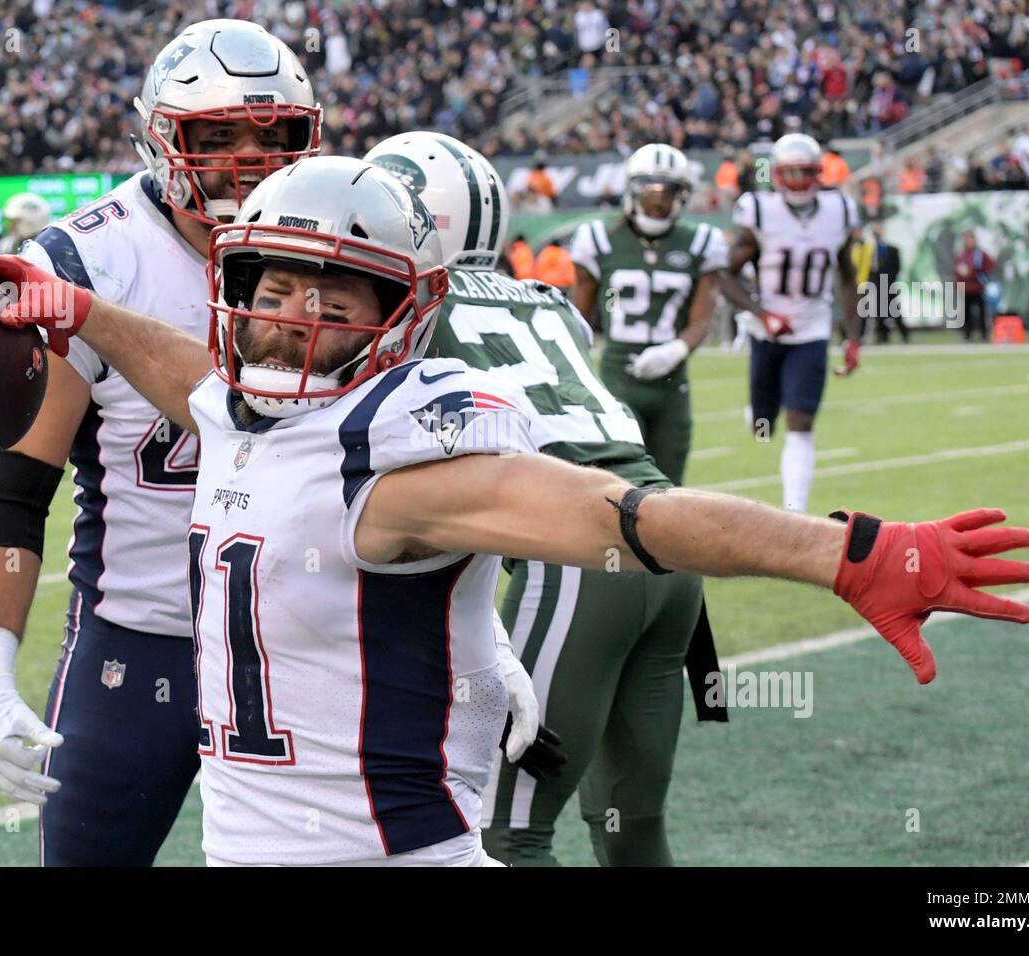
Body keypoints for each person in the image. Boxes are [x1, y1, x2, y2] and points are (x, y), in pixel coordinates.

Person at [0, 155, 1029, 866]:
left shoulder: (394, 456)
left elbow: (620, 513)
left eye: (332, 298)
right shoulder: (239, 407)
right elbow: (187, 362)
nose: (288, 321)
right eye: (270, 289)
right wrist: (82, 307)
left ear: (401, 316)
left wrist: (845, 551)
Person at [0, 18, 325, 867]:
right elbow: (17, 490)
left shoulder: (336, 249)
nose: (247, 161)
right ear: (161, 137)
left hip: (300, 636)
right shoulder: (91, 259)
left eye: (274, 138)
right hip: (138, 636)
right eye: (217, 135)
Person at [365, 132, 717, 866]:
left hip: (577, 559)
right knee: (632, 821)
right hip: (670, 554)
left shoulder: (414, 306)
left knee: (510, 832)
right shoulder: (549, 301)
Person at [722, 132, 862, 514]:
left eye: (807, 172)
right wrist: (762, 313)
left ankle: (794, 510)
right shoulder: (760, 211)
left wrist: (853, 338)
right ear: (778, 175)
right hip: (767, 329)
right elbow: (724, 274)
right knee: (763, 427)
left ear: (820, 174)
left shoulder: (839, 211)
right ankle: (759, 410)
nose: (799, 180)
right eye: (792, 172)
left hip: (813, 328)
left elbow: (847, 276)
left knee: (801, 420)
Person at [569, 144, 724, 485]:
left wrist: (675, 350)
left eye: (668, 192)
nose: (658, 201)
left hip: (672, 388)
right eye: (649, 190)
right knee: (618, 492)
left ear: (682, 196)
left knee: (670, 495)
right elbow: (576, 321)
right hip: (616, 383)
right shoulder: (599, 239)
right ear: (632, 190)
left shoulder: (700, 242)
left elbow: (701, 320)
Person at [869, 221, 909, 344]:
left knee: (894, 310)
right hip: (876, 285)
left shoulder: (892, 249)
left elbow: (897, 267)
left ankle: (904, 334)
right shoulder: (869, 250)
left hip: (889, 284)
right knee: (879, 312)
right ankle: (882, 336)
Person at [953, 230, 994, 341]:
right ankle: (967, 335)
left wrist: (975, 273)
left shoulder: (980, 254)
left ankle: (984, 334)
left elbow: (990, 266)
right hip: (966, 288)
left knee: (982, 312)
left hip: (978, 287)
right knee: (966, 314)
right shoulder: (961, 255)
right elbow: (957, 272)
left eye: (971, 239)